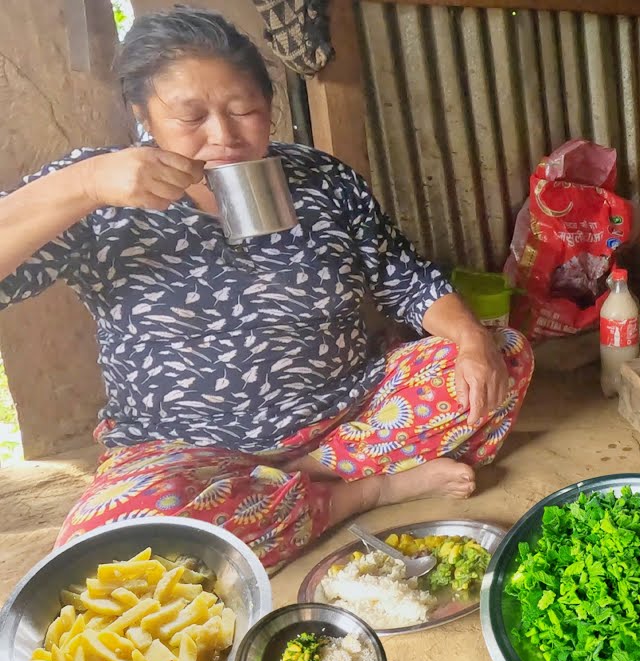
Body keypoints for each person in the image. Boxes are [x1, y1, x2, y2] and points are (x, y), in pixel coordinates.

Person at [0, 8, 533, 569]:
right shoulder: (95, 187)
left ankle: (280, 489)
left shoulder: (321, 179)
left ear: (270, 108)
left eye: (244, 111)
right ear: (142, 114)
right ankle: (364, 493)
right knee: (125, 541)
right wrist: (83, 187)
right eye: (191, 116)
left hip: (343, 415)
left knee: (499, 358)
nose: (224, 136)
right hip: (185, 451)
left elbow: (403, 277)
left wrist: (472, 341)